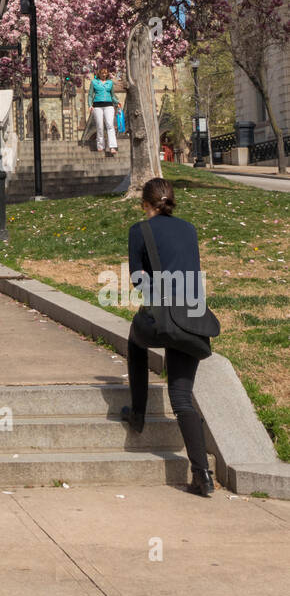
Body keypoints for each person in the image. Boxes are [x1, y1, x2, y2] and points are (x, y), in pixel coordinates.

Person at [123, 177, 219, 497]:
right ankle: (203, 476)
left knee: (136, 337)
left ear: (146, 204)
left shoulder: (140, 230)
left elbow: (138, 280)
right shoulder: (189, 229)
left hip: (161, 318)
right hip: (192, 318)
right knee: (181, 397)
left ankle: (137, 415)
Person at [88, 66, 119, 156]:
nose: (104, 75)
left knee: (110, 125)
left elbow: (112, 95)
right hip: (97, 106)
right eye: (102, 73)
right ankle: (100, 145)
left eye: (105, 73)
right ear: (99, 73)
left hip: (109, 105)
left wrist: (117, 102)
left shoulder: (110, 83)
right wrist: (90, 105)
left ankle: (112, 146)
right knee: (100, 126)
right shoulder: (94, 82)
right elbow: (90, 95)